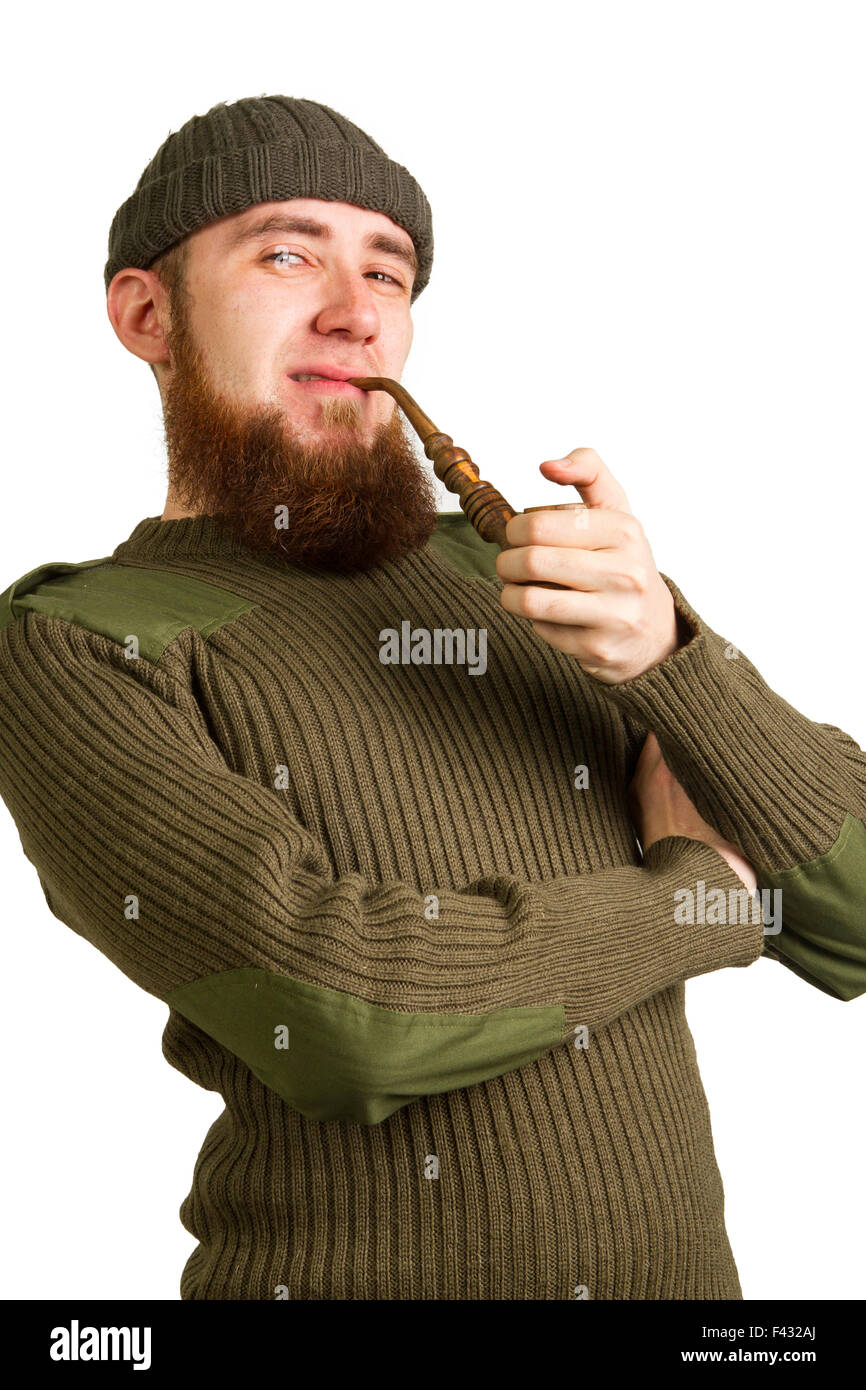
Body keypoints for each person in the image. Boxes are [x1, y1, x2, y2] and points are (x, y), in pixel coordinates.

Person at [0, 94, 863, 1301]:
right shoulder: (82, 641)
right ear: (147, 314)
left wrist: (673, 657)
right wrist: (699, 903)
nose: (355, 315)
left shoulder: (520, 573)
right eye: (288, 253)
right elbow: (347, 1008)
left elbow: (855, 916)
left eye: (389, 273)